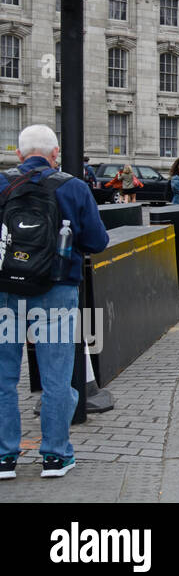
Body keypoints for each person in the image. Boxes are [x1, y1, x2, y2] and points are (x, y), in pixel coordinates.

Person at [0, 124, 110, 479]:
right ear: (55, 154)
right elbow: (96, 241)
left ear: (18, 154)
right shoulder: (74, 187)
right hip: (57, 290)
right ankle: (55, 456)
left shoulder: (2, 184)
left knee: (3, 380)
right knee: (57, 378)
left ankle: (4, 457)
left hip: (5, 291)